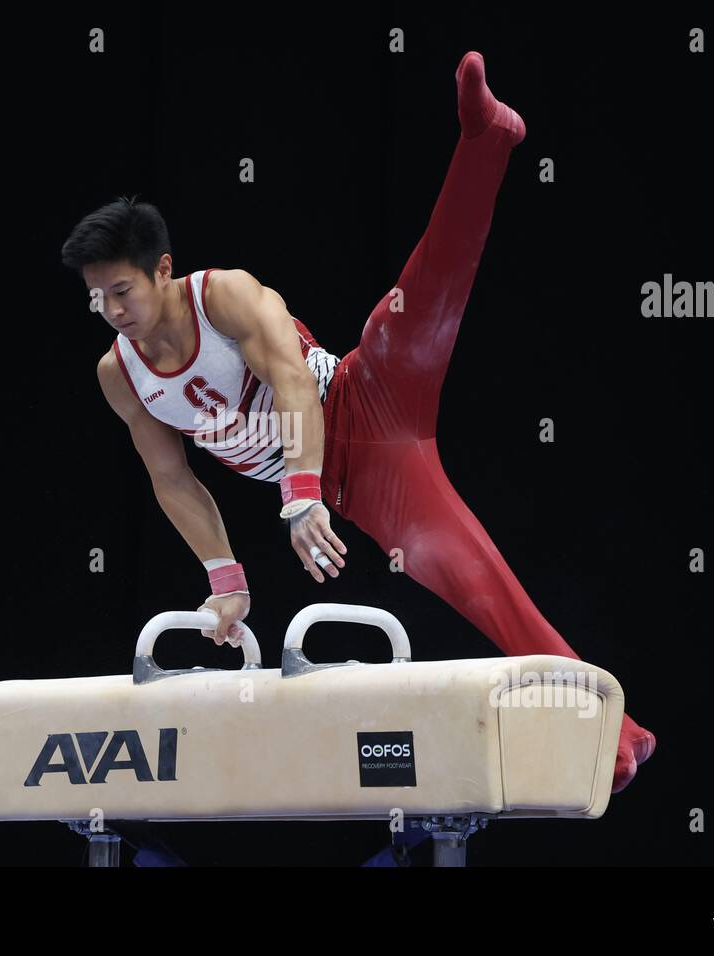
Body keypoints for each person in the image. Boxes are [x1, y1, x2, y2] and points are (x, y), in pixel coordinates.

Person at [61, 51, 655, 797]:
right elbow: (171, 479)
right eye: (98, 299)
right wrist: (227, 580)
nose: (114, 312)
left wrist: (299, 491)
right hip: (370, 481)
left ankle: (485, 139)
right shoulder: (121, 374)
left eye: (122, 290)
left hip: (365, 395)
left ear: (163, 270)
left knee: (426, 293)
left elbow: (289, 382)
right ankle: (617, 731)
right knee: (479, 585)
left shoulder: (227, 298)